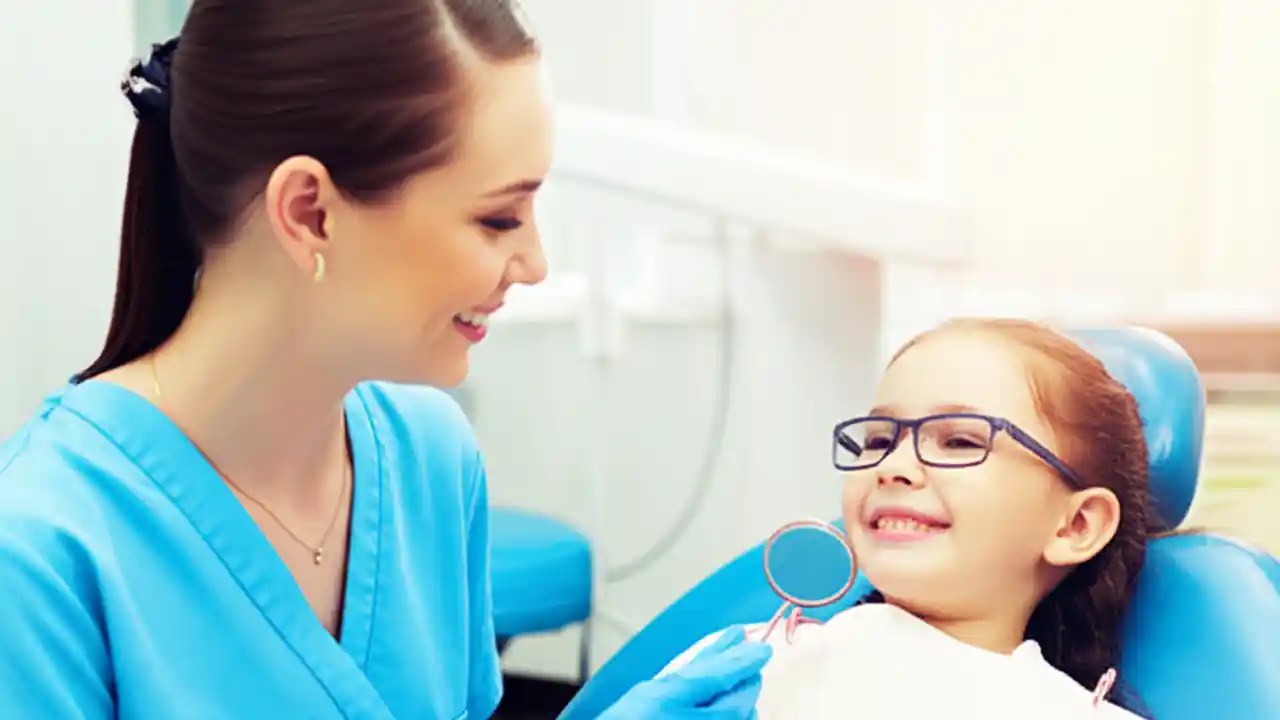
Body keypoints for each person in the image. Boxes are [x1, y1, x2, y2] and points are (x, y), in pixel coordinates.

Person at [0, 2, 769, 717]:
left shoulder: (430, 459)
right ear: (310, 212)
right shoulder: (40, 555)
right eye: (498, 217)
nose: (534, 261)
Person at [663, 318, 1160, 719]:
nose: (892, 466)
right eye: (879, 439)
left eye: (961, 441)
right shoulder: (735, 667)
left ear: (1076, 526)